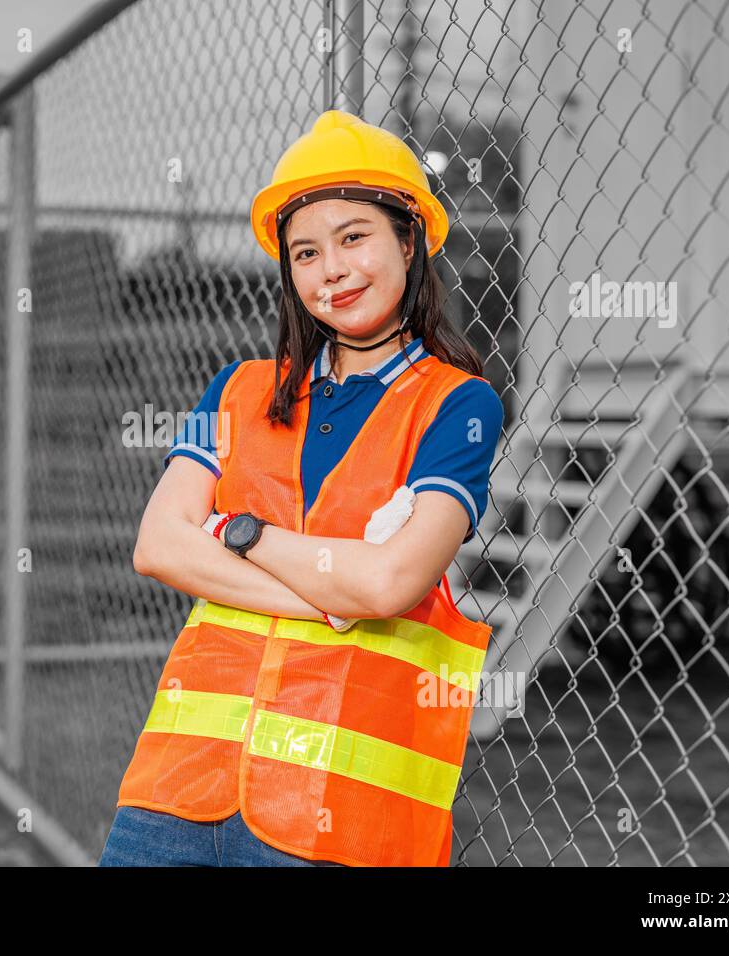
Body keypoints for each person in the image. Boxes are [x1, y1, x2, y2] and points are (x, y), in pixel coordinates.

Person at [98, 110, 504, 867]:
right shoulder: (238, 390)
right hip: (174, 790)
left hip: (339, 815)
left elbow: (389, 582)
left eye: (355, 237)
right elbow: (158, 546)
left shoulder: (456, 404)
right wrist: (327, 594)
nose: (332, 270)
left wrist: (235, 534)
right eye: (306, 251)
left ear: (408, 241)